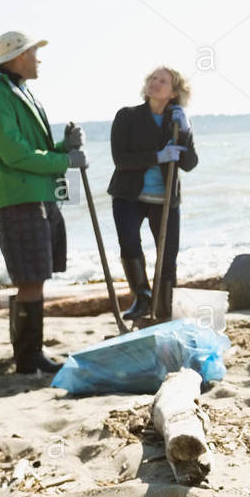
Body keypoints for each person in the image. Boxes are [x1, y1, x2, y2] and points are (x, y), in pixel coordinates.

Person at [0, 31, 88, 374]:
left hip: (34, 192)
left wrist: (64, 149)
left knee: (36, 274)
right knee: (31, 276)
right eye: (35, 53)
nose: (38, 59)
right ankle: (28, 357)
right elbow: (14, 153)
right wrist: (66, 162)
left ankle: (26, 352)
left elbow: (32, 150)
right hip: (16, 194)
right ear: (19, 56)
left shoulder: (18, 89)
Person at [107, 67, 199, 321]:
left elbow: (189, 164)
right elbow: (121, 160)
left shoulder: (177, 121)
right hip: (129, 196)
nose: (155, 83)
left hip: (165, 199)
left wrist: (186, 130)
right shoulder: (127, 116)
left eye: (163, 81)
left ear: (174, 93)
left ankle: (164, 308)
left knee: (168, 255)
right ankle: (142, 297)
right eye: (152, 79)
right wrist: (158, 156)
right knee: (129, 243)